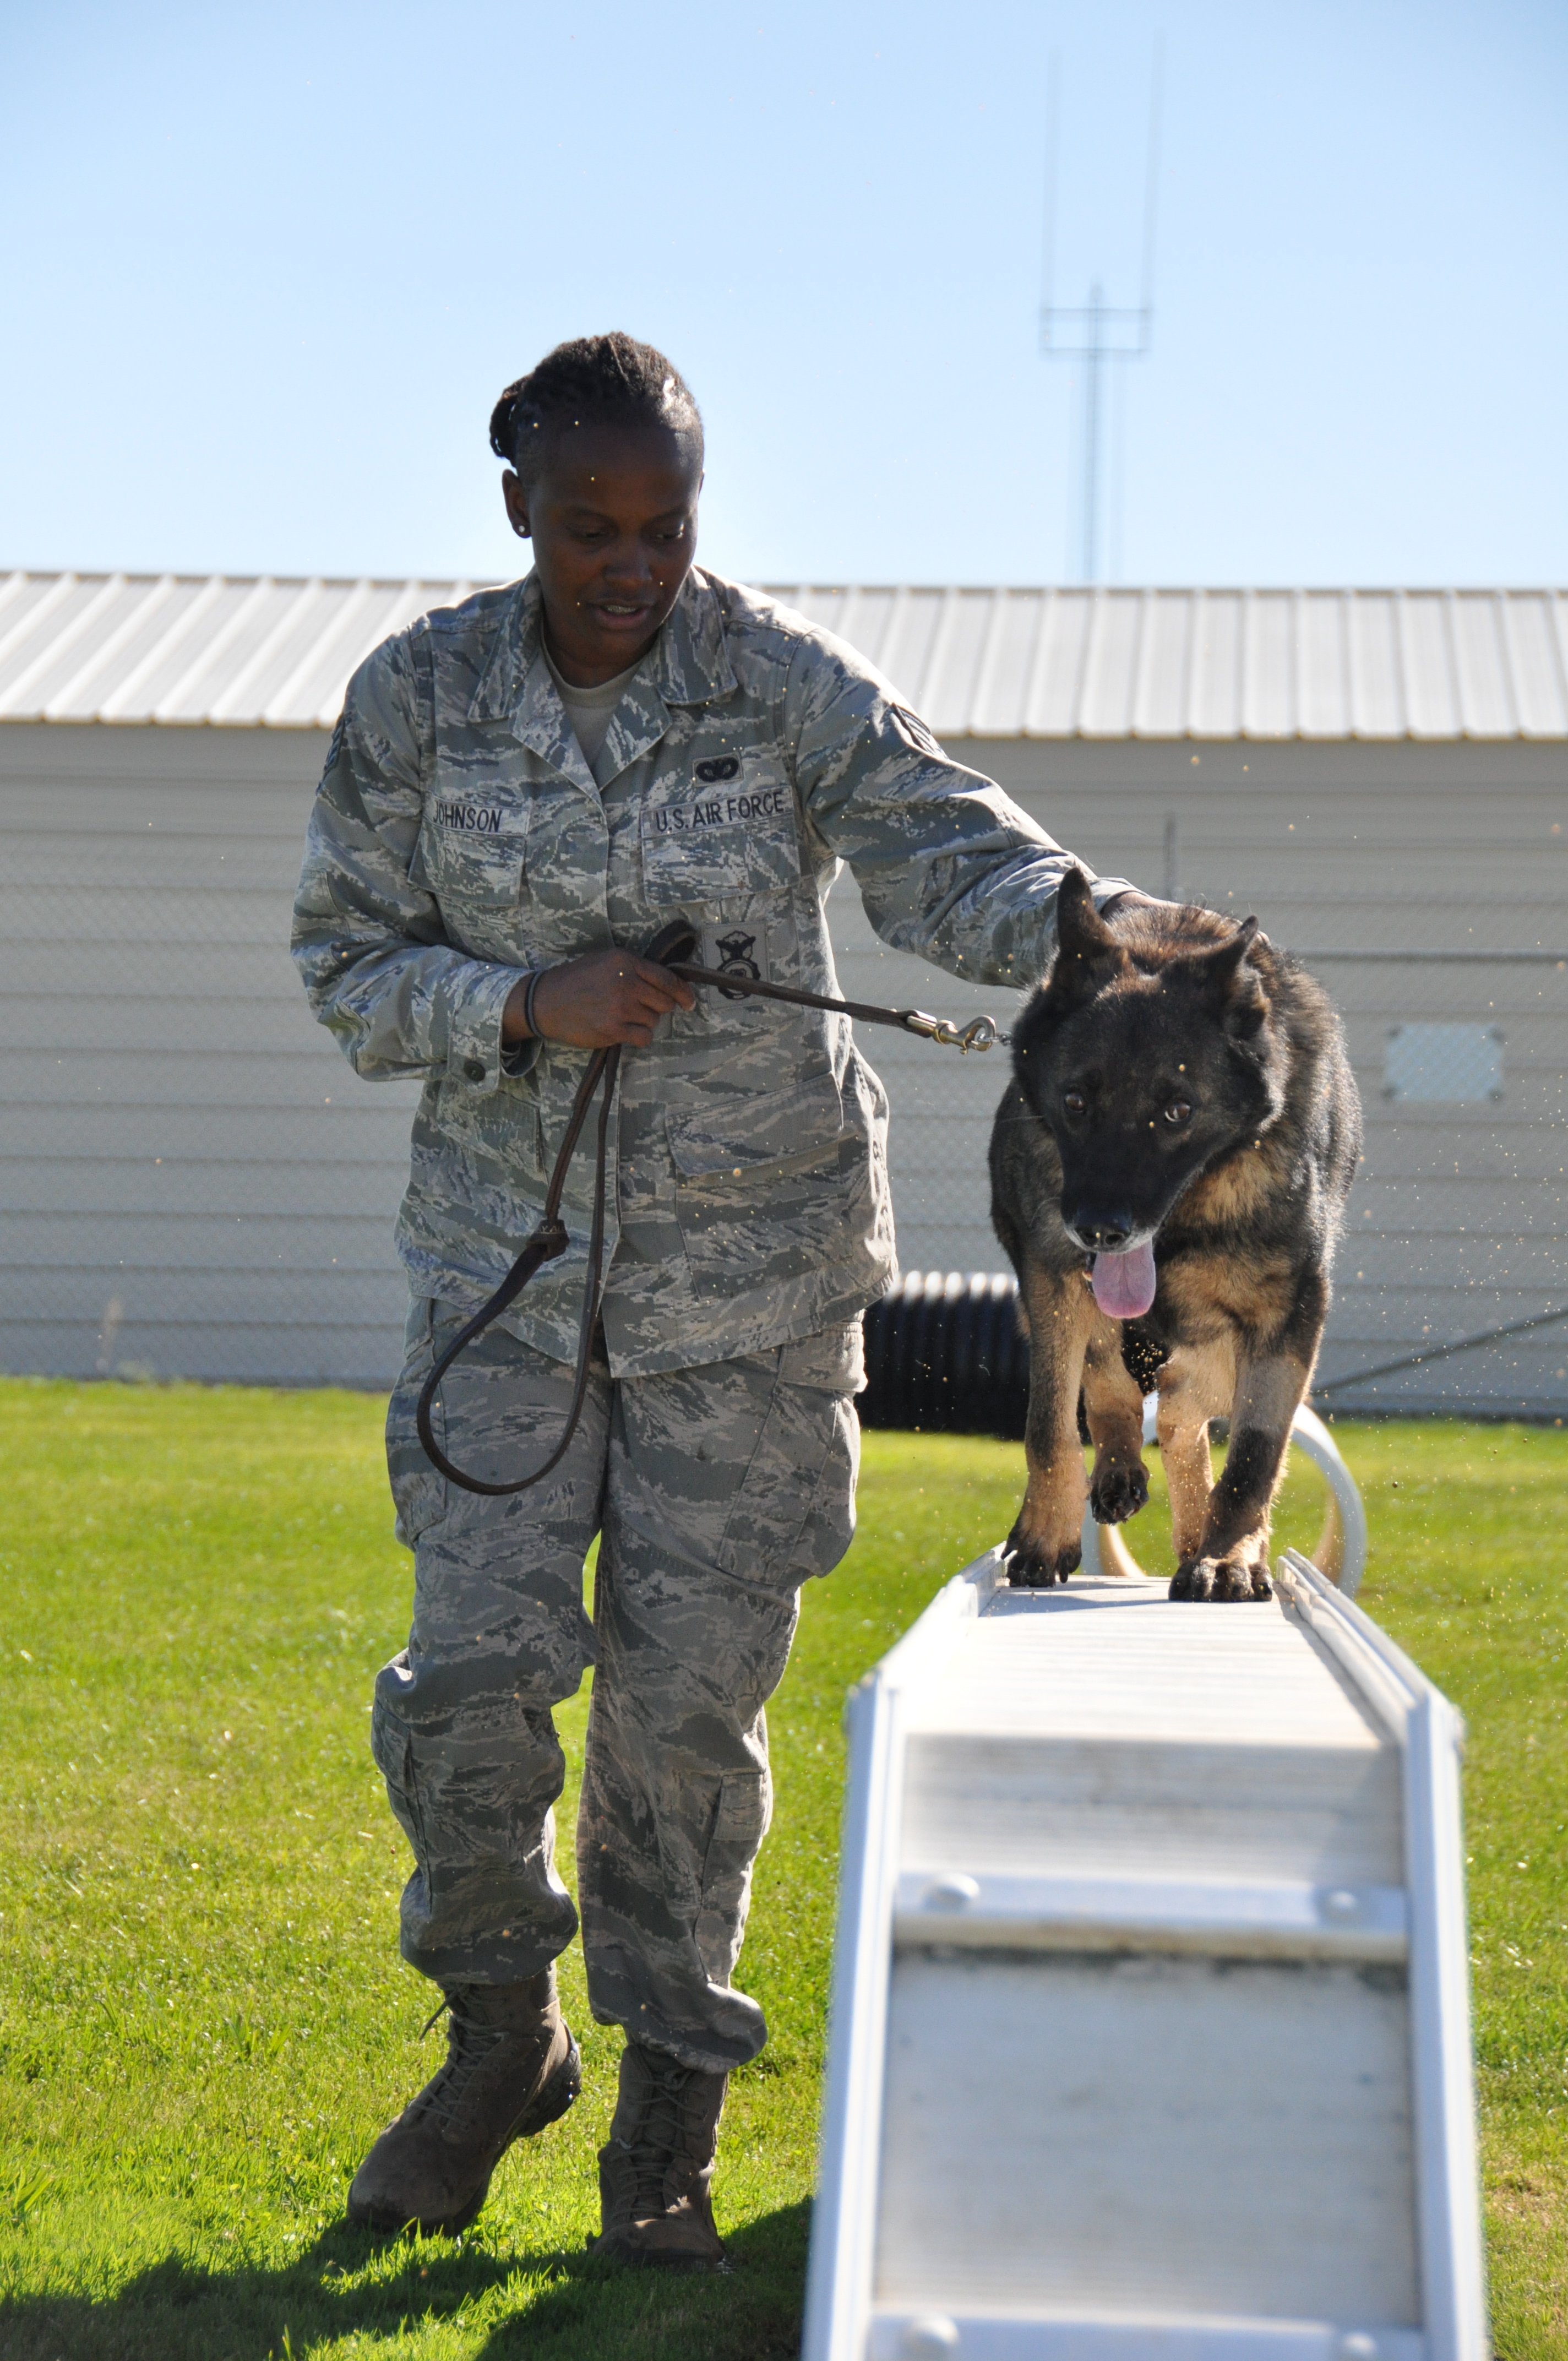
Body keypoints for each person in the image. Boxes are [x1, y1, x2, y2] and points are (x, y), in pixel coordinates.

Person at [291, 331, 1145, 2266]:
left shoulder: (777, 684)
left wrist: (1109, 942)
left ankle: (667, 2095)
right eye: (592, 526)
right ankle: (500, 2040)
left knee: (687, 1724)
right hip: (507, 1289)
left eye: (665, 527)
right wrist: (521, 998)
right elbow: (347, 968)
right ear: (518, 508)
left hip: (755, 1296)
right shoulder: (416, 702)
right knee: (477, 1697)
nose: (633, 565)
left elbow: (956, 852)